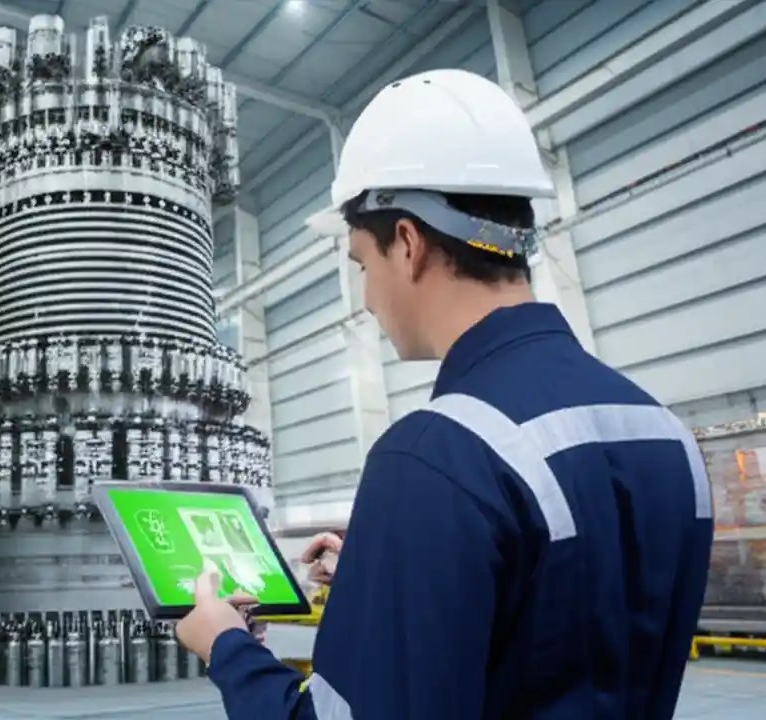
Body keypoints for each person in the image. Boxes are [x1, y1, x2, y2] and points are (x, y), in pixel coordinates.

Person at [175, 68, 714, 719]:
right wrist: (400, 577)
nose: (368, 298)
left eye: (360, 265)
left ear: (407, 244)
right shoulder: (663, 433)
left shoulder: (435, 455)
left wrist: (226, 647)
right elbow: (569, 628)